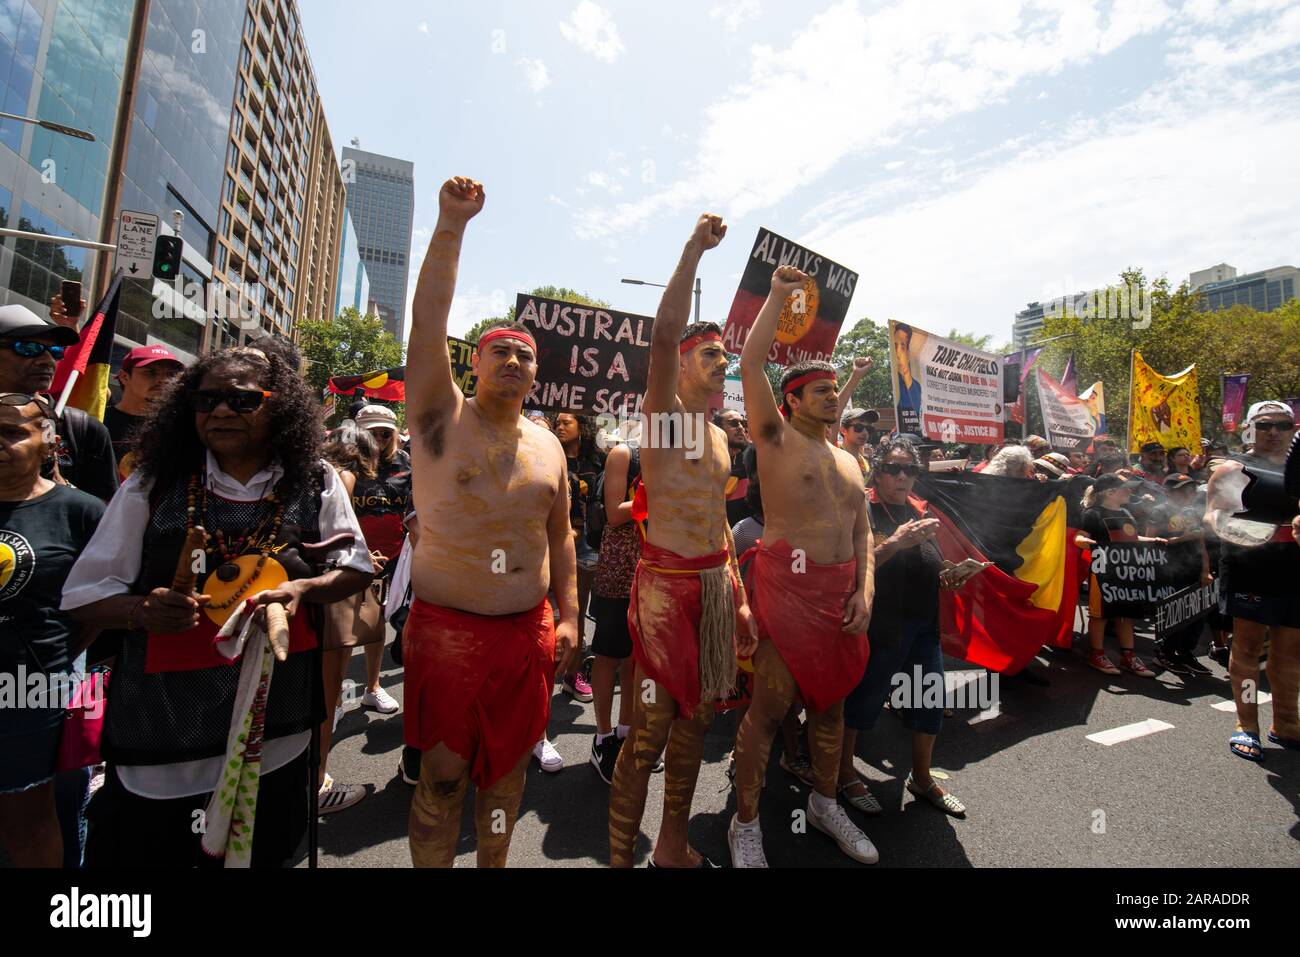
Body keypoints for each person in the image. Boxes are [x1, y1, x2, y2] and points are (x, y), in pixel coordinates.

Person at [61, 347, 375, 867]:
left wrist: (304, 590)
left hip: (275, 734)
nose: (222, 411)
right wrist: (142, 610)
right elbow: (83, 597)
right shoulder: (153, 482)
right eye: (208, 399)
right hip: (161, 739)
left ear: (279, 408)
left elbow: (357, 566)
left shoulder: (314, 479)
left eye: (242, 399)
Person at [402, 177, 579, 868]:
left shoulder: (550, 444)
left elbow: (560, 535)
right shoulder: (440, 421)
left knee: (508, 778)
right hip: (448, 634)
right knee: (443, 780)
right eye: (498, 349)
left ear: (537, 373)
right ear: (470, 362)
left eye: (525, 354)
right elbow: (426, 319)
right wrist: (452, 224)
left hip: (525, 634)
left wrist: (568, 615)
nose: (513, 360)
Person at [607, 213, 757, 869]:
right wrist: (695, 249)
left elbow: (720, 521)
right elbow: (664, 335)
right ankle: (618, 856)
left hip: (716, 590)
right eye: (712, 355)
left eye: (726, 355)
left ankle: (671, 847)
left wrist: (742, 598)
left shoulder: (722, 434)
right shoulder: (664, 420)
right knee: (646, 736)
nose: (722, 363)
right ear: (683, 365)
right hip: (665, 594)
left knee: (696, 724)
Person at [732, 263, 875, 867]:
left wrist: (865, 588)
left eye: (834, 389)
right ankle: (744, 825)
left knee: (832, 708)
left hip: (842, 599)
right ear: (792, 400)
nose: (832, 396)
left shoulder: (847, 460)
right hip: (787, 594)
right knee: (768, 712)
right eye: (822, 390)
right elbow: (750, 362)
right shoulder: (775, 439)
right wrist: (778, 295)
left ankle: (822, 801)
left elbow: (863, 532)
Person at [0, 393, 106, 866]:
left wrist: (52, 660)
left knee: (28, 821)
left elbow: (97, 609)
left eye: (12, 432)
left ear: (48, 443)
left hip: (28, 695)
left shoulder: (80, 511)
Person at [840, 440, 966, 819]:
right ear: (877, 471)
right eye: (894, 468)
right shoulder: (863, 508)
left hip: (923, 625)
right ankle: (844, 773)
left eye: (910, 470)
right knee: (863, 703)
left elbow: (931, 560)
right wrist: (895, 544)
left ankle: (922, 778)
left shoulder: (919, 511)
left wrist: (948, 575)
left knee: (927, 703)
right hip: (881, 626)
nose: (902, 476)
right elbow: (851, 567)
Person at [1205, 401, 1299, 761]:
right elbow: (1212, 514)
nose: (1273, 431)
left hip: (1295, 568)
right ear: (1249, 429)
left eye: (1282, 424)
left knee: (1291, 650)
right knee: (1246, 648)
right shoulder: (1233, 469)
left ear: (1293, 428)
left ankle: (1287, 721)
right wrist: (1229, 527)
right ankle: (1246, 725)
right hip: (1249, 567)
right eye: (1264, 425)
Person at [315, 422, 389, 814]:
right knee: (326, 690)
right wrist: (361, 561)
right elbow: (337, 540)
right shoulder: (340, 477)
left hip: (314, 593)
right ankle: (317, 782)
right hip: (331, 595)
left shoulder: (317, 471)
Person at [0, 304, 116, 501]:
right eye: (29, 348)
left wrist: (57, 485)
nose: (47, 360)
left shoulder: (84, 429)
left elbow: (110, 514)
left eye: (54, 350)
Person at [587, 439, 642, 784]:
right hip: (618, 571)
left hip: (655, 572)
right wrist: (660, 498)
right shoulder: (625, 454)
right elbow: (614, 512)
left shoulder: (677, 453)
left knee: (636, 658)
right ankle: (603, 736)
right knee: (608, 655)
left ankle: (625, 731)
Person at [352, 404, 411, 717]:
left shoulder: (406, 464)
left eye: (384, 432)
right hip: (351, 560)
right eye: (371, 432)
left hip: (395, 559)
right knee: (345, 630)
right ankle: (335, 700)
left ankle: (372, 687)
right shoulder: (344, 464)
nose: (378, 437)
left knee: (375, 625)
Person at [1078, 474, 1159, 678]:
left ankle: (1128, 656)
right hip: (1102, 571)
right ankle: (1096, 654)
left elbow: (1130, 537)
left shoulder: (1125, 512)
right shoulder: (1093, 514)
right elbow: (1081, 537)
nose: (1130, 491)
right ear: (1109, 492)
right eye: (1125, 488)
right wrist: (1084, 542)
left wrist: (1153, 540)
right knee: (1100, 614)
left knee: (1126, 613)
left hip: (1128, 571)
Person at [552, 411, 600, 703]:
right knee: (556, 612)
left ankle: (573, 673)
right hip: (557, 542)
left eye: (565, 423)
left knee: (578, 612)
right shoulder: (551, 456)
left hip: (590, 546)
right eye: (556, 422)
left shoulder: (599, 460)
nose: (559, 426)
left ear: (582, 427)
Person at [1148, 472, 1211, 676]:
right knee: (1175, 612)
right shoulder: (1159, 511)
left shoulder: (1193, 511)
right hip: (1169, 569)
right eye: (1183, 489)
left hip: (1193, 568)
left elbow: (1201, 541)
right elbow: (1149, 540)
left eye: (1191, 489)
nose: (1189, 493)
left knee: (1196, 612)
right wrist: (1181, 538)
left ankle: (1185, 652)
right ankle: (1165, 653)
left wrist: (1206, 569)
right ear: (1168, 492)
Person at [103, 345, 184, 479]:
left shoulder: (177, 427)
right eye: (150, 372)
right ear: (124, 377)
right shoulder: (98, 420)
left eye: (171, 374)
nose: (163, 380)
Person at [715, 408, 753, 526]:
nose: (741, 427)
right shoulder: (708, 460)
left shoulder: (757, 456)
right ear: (717, 429)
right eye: (734, 423)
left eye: (743, 423)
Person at [840, 407, 878, 485]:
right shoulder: (835, 453)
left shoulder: (865, 464)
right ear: (843, 430)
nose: (865, 432)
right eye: (858, 427)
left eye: (869, 428)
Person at [893, 324, 921, 411]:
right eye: (895, 346)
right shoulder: (894, 383)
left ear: (908, 354)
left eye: (902, 347)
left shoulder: (917, 387)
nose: (897, 353)